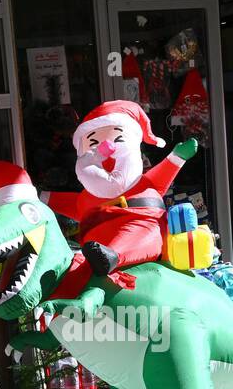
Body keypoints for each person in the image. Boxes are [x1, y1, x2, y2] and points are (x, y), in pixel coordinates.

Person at [44, 101, 197, 284]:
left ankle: (114, 256)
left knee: (148, 234)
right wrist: (42, 197)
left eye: (117, 140)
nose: (106, 152)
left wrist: (177, 157)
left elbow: (163, 174)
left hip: (140, 225)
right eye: (92, 143)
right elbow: (69, 204)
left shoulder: (144, 183)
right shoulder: (87, 196)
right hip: (95, 240)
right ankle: (102, 259)